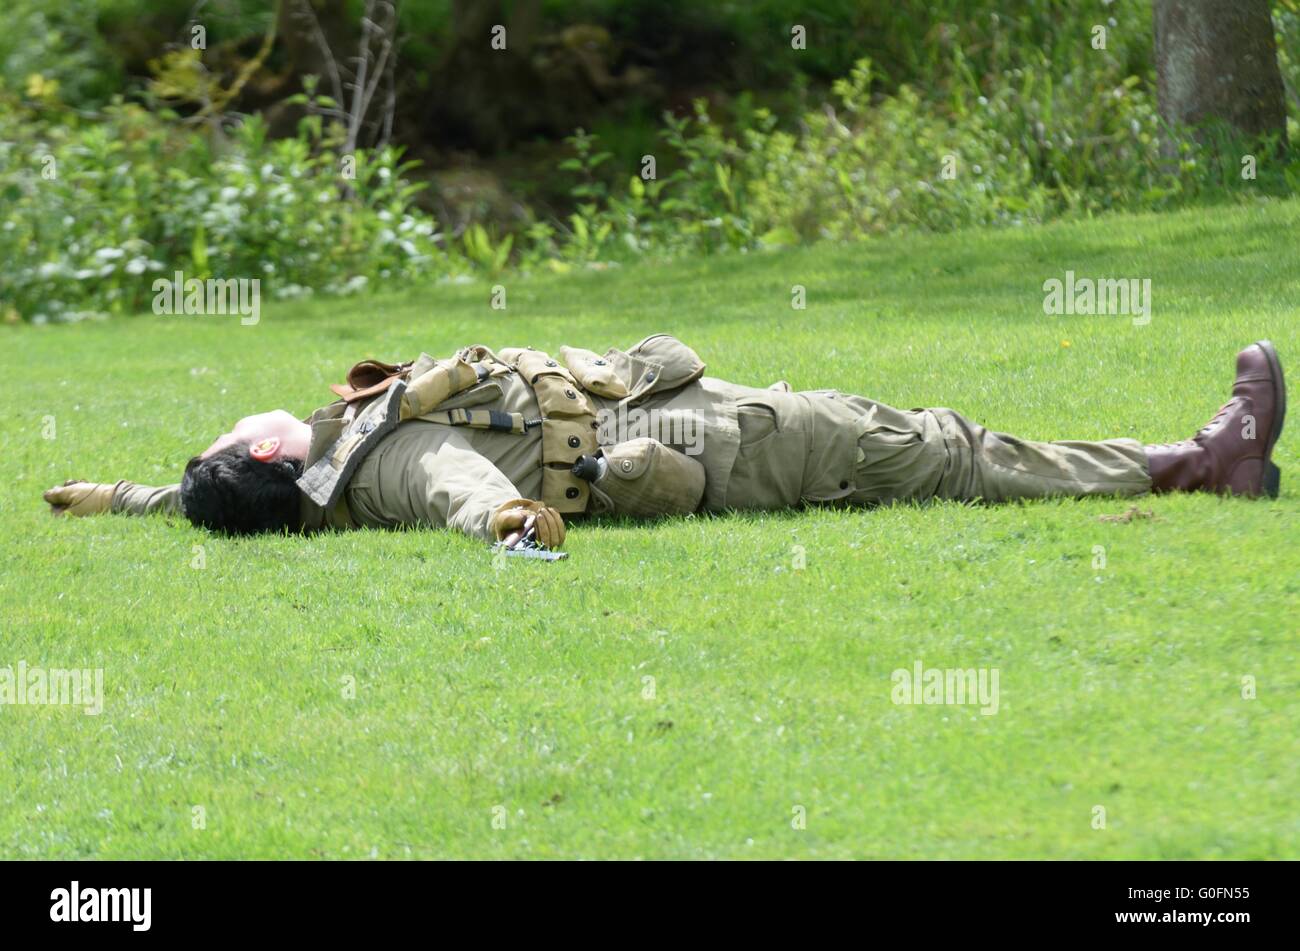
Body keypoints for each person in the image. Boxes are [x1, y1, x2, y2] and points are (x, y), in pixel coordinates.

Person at [43, 336, 1286, 548]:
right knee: (936, 453)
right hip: (723, 444)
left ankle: (1195, 460)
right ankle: (1200, 462)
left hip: (678, 412)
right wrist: (507, 524)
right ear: (266, 462)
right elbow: (463, 490)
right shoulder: (393, 467)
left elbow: (194, 498)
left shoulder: (315, 466)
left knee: (926, 444)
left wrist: (116, 496)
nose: (241, 424)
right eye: (233, 439)